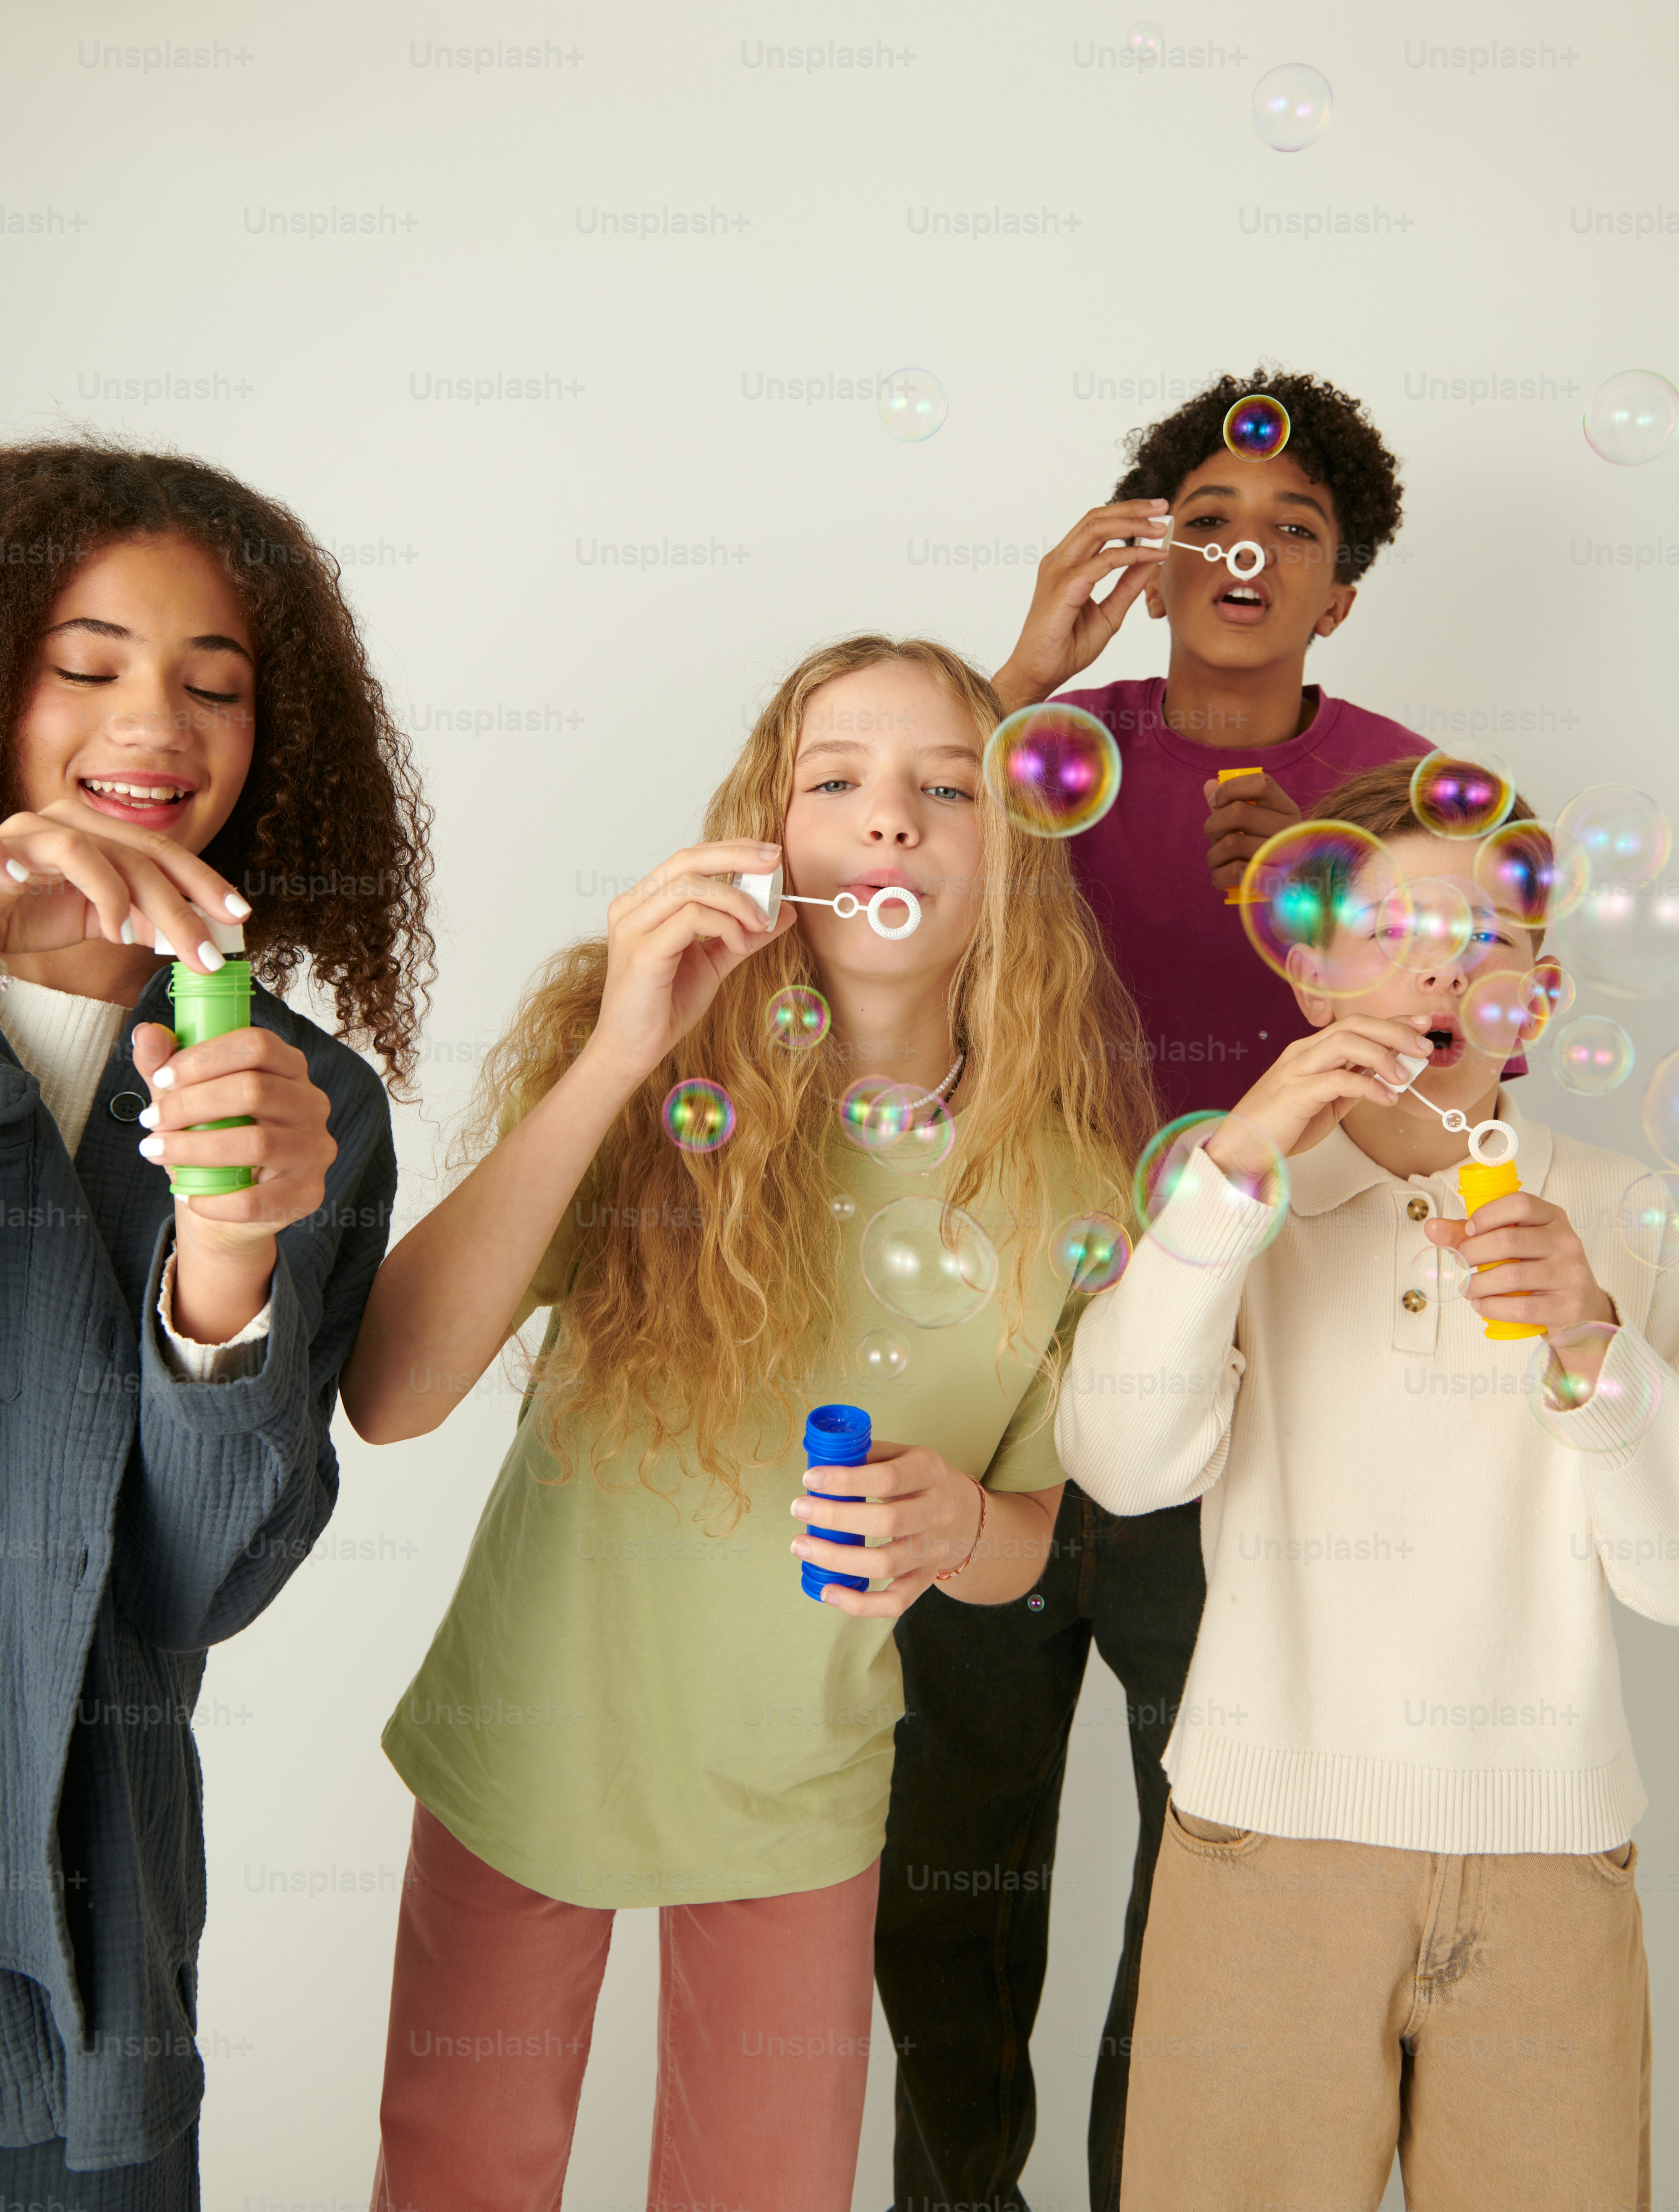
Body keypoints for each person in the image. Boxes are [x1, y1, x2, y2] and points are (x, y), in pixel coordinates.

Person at [340, 636, 1159, 2212]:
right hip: (530, 1736)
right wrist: (623, 1052)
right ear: (767, 845)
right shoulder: (639, 1082)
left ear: (1016, 861)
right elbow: (390, 1392)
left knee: (765, 2188)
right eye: (835, 782)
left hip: (801, 1781)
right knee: (456, 2174)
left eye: (947, 788)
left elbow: (1031, 1546)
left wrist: (968, 1531)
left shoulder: (1072, 1190)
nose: (892, 821)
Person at [877, 369, 1438, 2212]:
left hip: (1243, 1388)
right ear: (1154, 548)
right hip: (999, 1370)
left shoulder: (1396, 791)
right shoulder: (1039, 747)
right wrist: (1025, 657)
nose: (1250, 550)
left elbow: (1449, 1076)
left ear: (1341, 592)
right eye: (1214, 515)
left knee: (1207, 1884)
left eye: (1297, 531)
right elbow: (879, 871)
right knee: (949, 1867)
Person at [1057, 758, 1664, 2210]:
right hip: (1266, 1856)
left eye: (1485, 942)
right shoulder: (1244, 1208)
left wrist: (1594, 1343)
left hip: (1551, 1866)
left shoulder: (1623, 1223)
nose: (1440, 969)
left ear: (1545, 992)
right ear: (1310, 978)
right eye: (1390, 936)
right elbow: (1123, 1462)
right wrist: (1239, 1166)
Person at [0, 442, 432, 2207]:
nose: (155, 721)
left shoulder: (296, 1095)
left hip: (81, 1959)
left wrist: (229, 1266)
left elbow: (191, 1597)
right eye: (85, 662)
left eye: (218, 683)